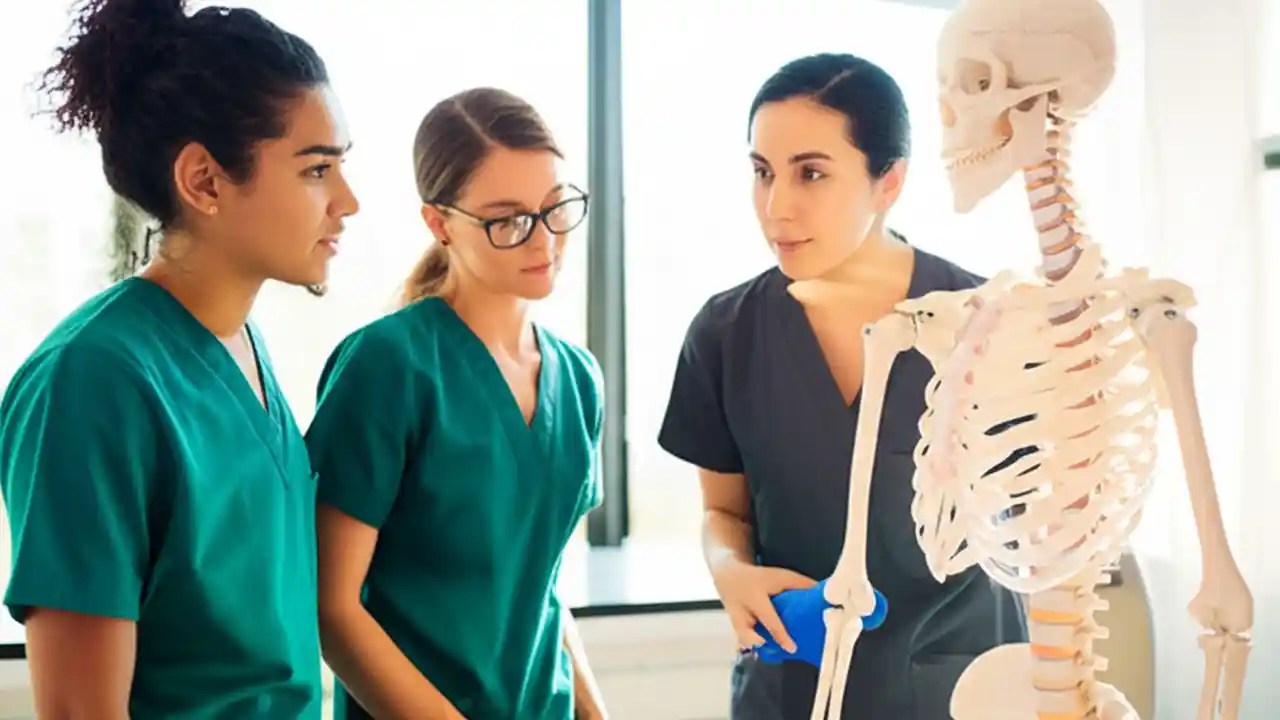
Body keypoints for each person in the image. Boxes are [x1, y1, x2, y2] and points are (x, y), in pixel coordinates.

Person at [0, 1, 359, 718]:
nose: (346, 202)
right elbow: (79, 713)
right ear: (203, 181)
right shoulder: (92, 382)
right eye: (317, 170)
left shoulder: (243, 349)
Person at [657, 53, 1028, 719]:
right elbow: (725, 513)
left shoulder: (987, 319)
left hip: (964, 688)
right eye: (762, 172)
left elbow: (1038, 524)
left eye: (812, 173)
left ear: (889, 182)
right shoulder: (725, 332)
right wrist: (730, 571)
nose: (777, 206)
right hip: (793, 688)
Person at [306, 86, 608, 720]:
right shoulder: (387, 367)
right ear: (439, 224)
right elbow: (332, 607)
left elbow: (539, 591)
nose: (543, 240)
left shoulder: (578, 381)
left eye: (555, 208)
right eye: (508, 220)